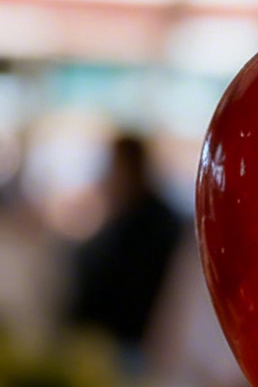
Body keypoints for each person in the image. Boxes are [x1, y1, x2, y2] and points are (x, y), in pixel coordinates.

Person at [69, 134, 184, 358]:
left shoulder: (151, 225)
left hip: (133, 344)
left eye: (114, 166)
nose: (108, 176)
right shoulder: (131, 215)